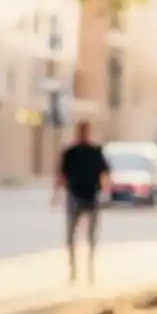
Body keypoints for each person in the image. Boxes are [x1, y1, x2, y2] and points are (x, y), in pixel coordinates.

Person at [54, 121, 111, 284]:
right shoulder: (70, 153)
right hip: (74, 195)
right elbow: (61, 175)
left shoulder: (95, 152)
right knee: (71, 237)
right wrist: (56, 194)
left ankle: (90, 270)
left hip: (92, 197)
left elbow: (105, 173)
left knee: (91, 237)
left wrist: (106, 193)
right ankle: (73, 271)